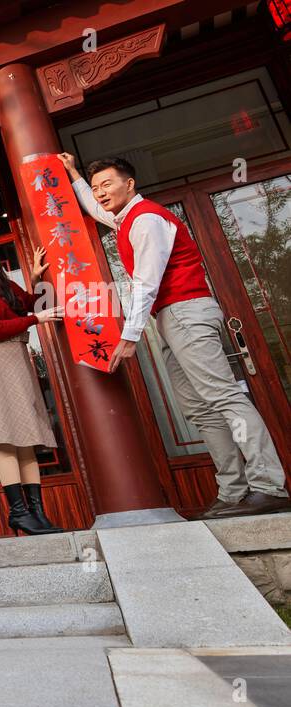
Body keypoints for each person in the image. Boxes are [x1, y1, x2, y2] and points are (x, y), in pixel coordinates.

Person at [60, 152, 290, 518]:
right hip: (170, 319)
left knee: (224, 397)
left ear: (129, 184)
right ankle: (234, 491)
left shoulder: (147, 219)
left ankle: (269, 486)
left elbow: (146, 283)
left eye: (107, 184)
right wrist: (73, 173)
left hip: (186, 312)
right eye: (97, 186)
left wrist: (130, 334)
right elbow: (95, 210)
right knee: (200, 408)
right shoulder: (125, 219)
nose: (100, 193)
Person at [0, 236, 66, 535]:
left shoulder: (5, 286)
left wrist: (34, 278)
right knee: (6, 437)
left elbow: (33, 304)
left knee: (26, 438)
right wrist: (34, 319)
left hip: (17, 358)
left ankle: (36, 514)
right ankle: (18, 513)